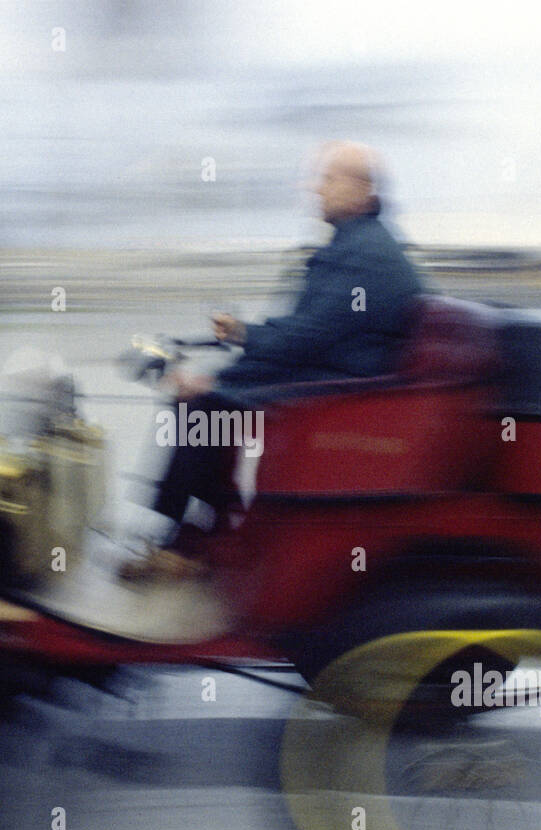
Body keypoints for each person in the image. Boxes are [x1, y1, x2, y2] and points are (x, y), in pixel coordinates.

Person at [121, 141, 426, 582]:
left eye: (328, 179)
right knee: (207, 398)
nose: (315, 189)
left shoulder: (366, 255)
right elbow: (305, 333)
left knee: (201, 410)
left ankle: (184, 541)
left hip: (340, 391)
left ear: (363, 189)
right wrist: (232, 358)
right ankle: (205, 533)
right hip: (330, 375)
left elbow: (309, 338)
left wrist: (241, 343)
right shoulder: (357, 244)